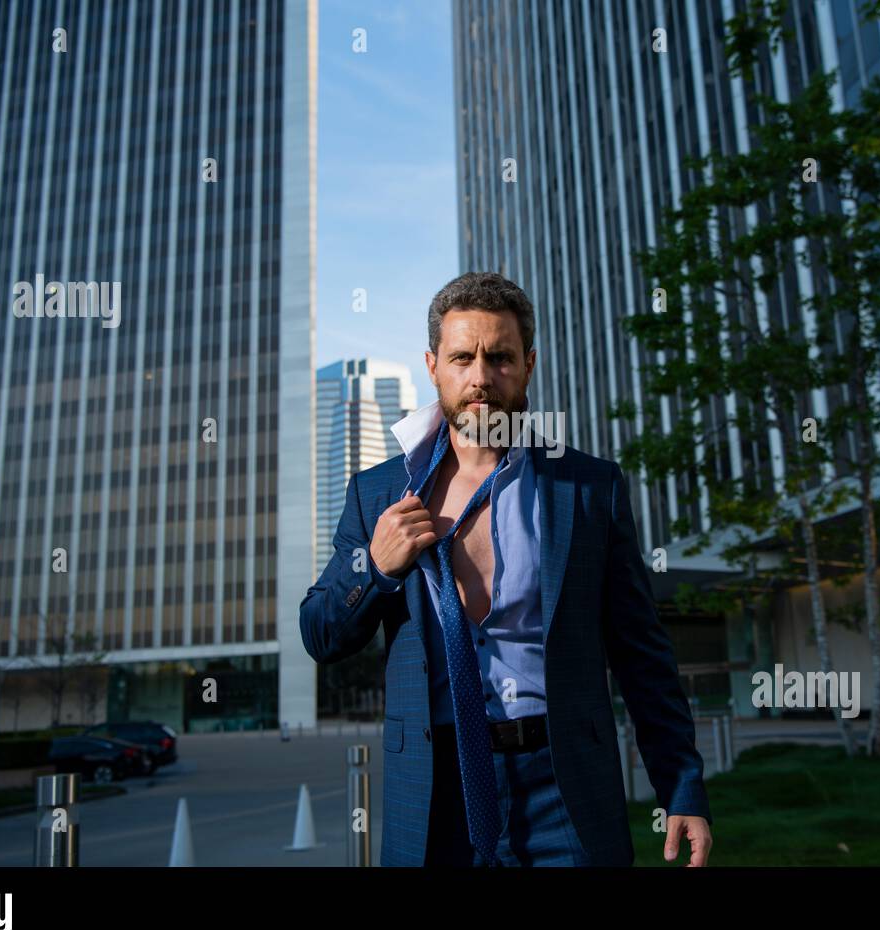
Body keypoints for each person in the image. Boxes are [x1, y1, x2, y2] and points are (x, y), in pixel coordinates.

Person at [300, 272, 713, 866]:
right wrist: (378, 569)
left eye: (499, 358)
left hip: (564, 785)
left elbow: (641, 655)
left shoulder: (589, 488)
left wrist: (682, 788)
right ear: (433, 364)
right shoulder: (379, 493)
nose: (480, 378)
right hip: (433, 787)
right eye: (462, 357)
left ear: (528, 364)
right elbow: (320, 634)